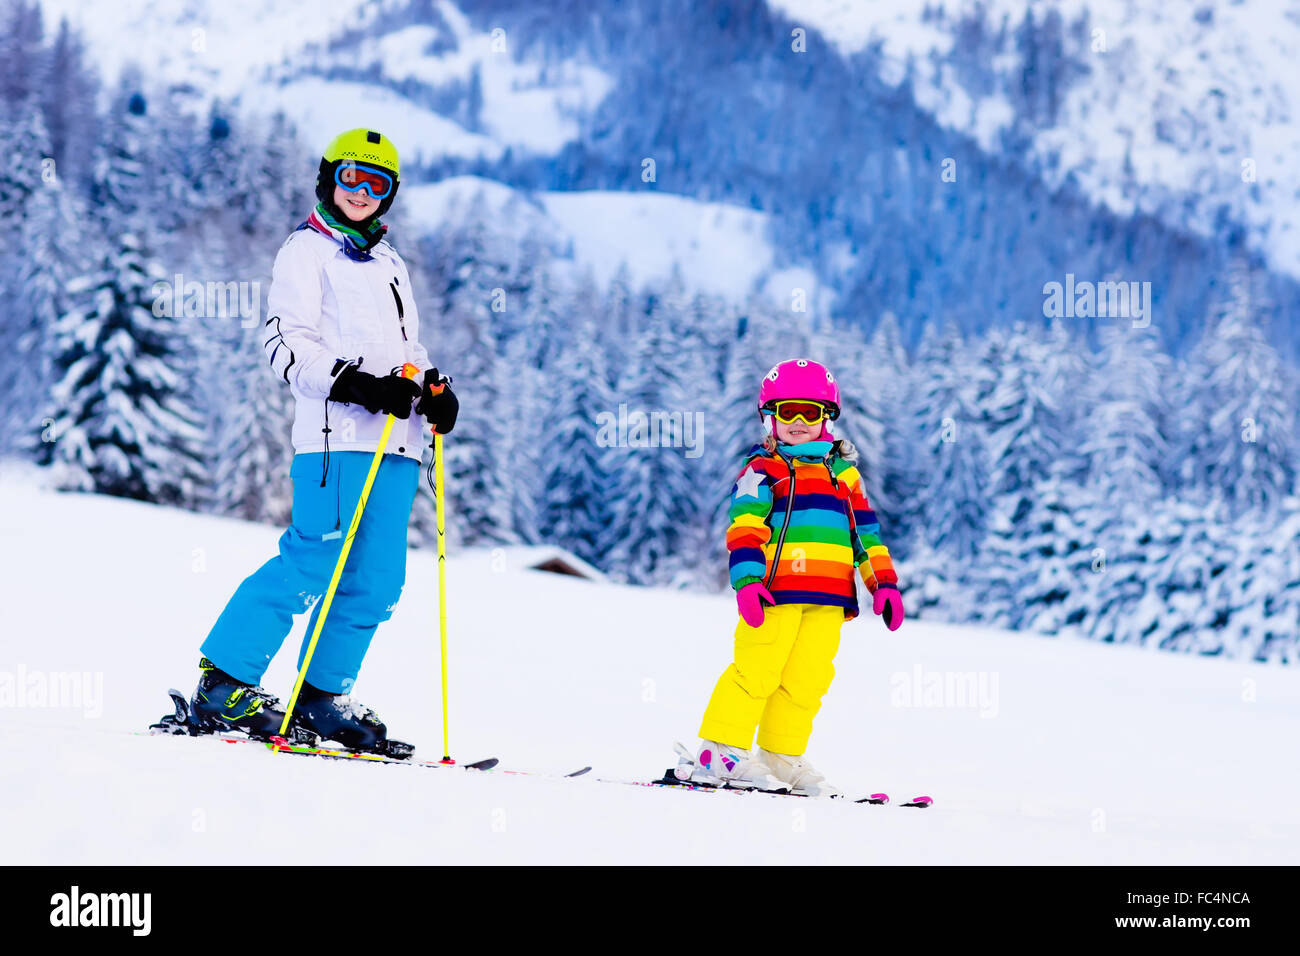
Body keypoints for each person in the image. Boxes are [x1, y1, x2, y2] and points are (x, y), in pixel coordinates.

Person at [188, 128, 459, 752]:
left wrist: (431, 393)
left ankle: (321, 696)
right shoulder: (304, 251)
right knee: (313, 561)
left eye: (377, 184)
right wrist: (358, 384)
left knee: (379, 578)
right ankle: (225, 682)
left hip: (397, 443)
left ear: (390, 194)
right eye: (350, 179)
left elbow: (407, 352)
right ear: (328, 180)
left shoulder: (391, 265)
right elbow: (285, 343)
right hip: (335, 437)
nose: (361, 193)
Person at [681, 358, 904, 795]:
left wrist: (884, 584)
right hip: (776, 593)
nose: (798, 422)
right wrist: (747, 583)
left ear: (827, 416)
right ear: (771, 416)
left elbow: (867, 535)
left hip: (831, 598)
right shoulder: (763, 469)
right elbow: (744, 528)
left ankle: (780, 756)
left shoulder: (845, 475)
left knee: (807, 680)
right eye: (787, 412)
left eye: (810, 411)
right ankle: (719, 752)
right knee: (757, 670)